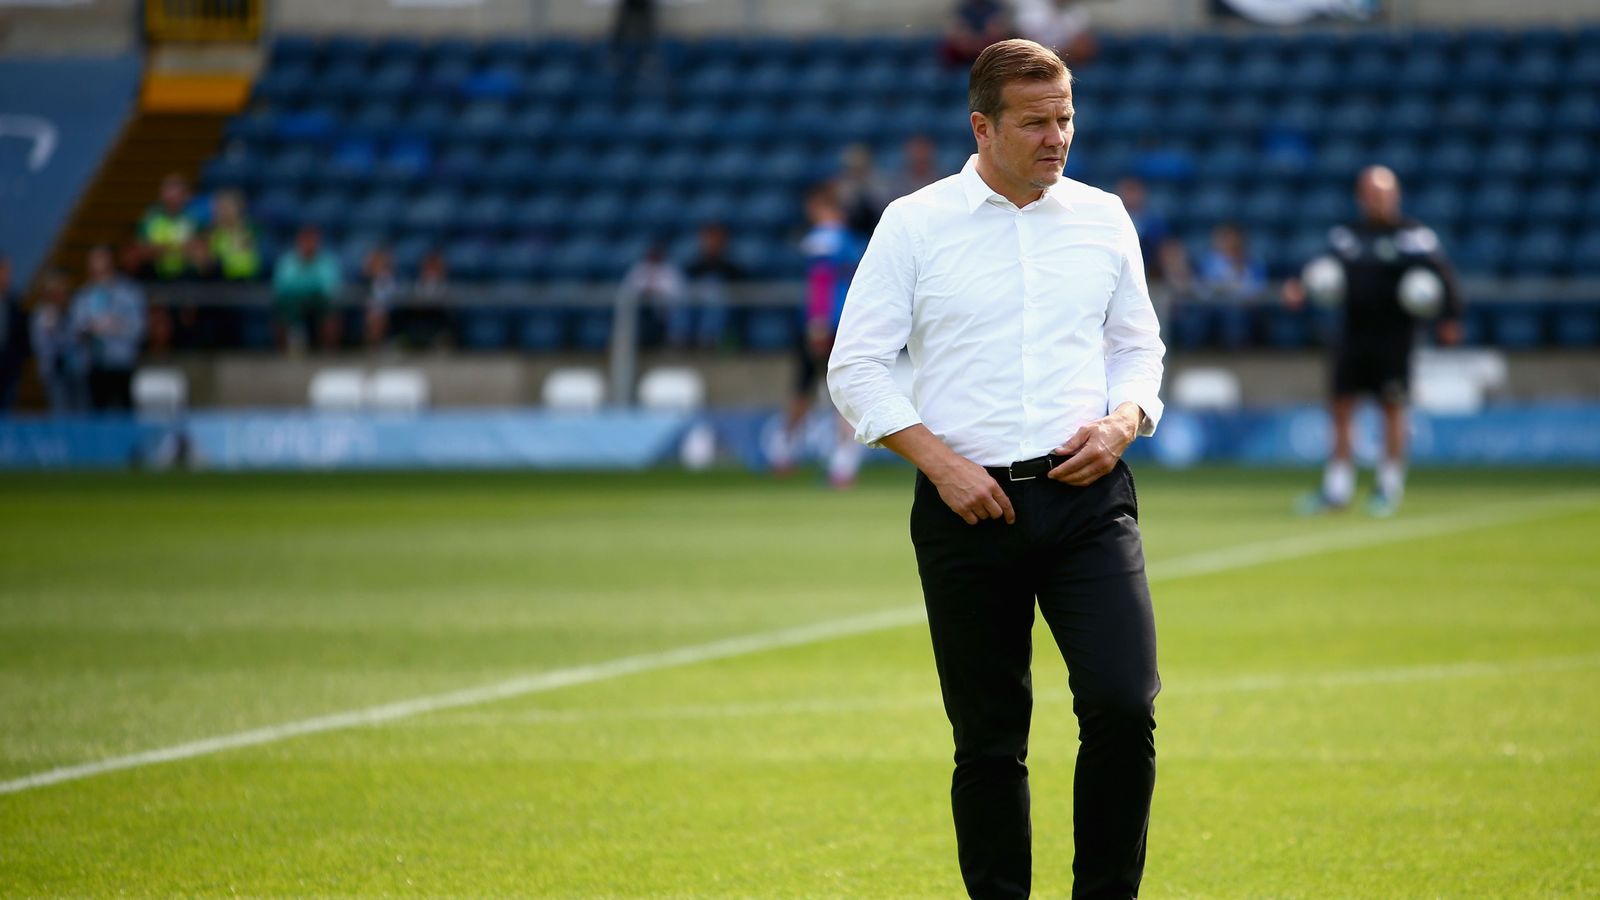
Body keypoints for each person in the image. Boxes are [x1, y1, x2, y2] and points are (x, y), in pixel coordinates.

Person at [827, 40, 1164, 899]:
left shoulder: (1104, 217)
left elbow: (1137, 348)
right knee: (987, 740)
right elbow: (855, 365)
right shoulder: (914, 223)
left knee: (1124, 707)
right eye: (1036, 123)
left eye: (1066, 120)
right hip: (964, 508)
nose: (1058, 138)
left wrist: (1125, 421)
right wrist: (940, 465)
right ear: (982, 127)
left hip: (1088, 500)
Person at [1287, 165, 1464, 517]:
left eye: (1383, 193)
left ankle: (1388, 486)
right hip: (1351, 335)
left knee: (1392, 409)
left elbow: (1445, 279)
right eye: (1370, 193)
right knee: (1340, 408)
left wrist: (1450, 317)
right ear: (1360, 197)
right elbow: (1320, 273)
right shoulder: (1346, 236)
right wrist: (1300, 288)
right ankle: (1337, 490)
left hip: (1395, 338)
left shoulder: (1415, 237)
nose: (1377, 199)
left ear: (1395, 195)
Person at [772, 184, 865, 487]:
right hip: (845, 321)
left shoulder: (823, 239)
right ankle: (842, 462)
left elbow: (821, 282)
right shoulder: (851, 241)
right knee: (841, 391)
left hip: (823, 323)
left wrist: (818, 322)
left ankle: (785, 452)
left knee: (805, 388)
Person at [70, 245, 147, 412]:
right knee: (95, 414)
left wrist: (116, 326)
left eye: (102, 262)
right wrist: (89, 328)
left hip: (121, 365)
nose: (98, 268)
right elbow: (76, 327)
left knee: (123, 413)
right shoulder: (84, 296)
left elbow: (139, 328)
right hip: (93, 365)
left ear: (111, 263)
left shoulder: (130, 293)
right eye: (94, 263)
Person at [271, 225, 343, 354]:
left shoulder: (326, 261)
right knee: (285, 306)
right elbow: (282, 286)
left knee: (330, 310)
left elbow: (329, 286)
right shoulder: (288, 261)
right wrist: (309, 286)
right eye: (306, 241)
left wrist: (305, 287)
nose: (309, 245)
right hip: (294, 302)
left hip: (318, 301)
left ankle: (329, 352)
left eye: (313, 241)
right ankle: (287, 351)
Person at [30, 269, 87, 414]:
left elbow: (80, 335)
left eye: (63, 289)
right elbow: (40, 345)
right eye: (56, 290)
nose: (60, 294)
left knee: (81, 411)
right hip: (55, 372)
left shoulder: (74, 310)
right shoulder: (41, 315)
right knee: (60, 411)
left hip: (76, 369)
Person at [683, 223, 745, 350]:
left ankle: (708, 341)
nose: (712, 243)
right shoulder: (692, 269)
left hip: (726, 313)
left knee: (714, 287)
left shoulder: (733, 270)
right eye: (709, 239)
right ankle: (679, 338)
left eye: (717, 239)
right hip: (696, 309)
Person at [618, 242, 689, 349]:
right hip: (642, 311)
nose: (653, 256)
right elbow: (626, 290)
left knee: (678, 314)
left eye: (656, 253)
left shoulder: (670, 269)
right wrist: (644, 293)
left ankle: (675, 346)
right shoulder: (639, 268)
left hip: (665, 311)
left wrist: (657, 293)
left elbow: (679, 293)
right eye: (652, 253)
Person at [133, 173, 203, 281]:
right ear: (161, 194)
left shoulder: (193, 219)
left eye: (177, 192)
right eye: (169, 191)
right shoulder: (151, 218)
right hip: (154, 277)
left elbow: (201, 253)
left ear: (185, 195)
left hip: (187, 278)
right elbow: (139, 252)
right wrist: (173, 249)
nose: (172, 196)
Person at [199, 189, 262, 282]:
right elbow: (205, 268)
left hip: (248, 284)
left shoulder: (253, 231)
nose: (221, 212)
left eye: (225, 208)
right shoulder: (211, 233)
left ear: (238, 209)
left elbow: (252, 265)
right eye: (218, 209)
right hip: (217, 284)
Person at [835, 143, 895, 239]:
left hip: (876, 227)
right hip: (851, 230)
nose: (858, 168)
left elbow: (883, 206)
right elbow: (844, 210)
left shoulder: (878, 180)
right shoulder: (844, 184)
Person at [1014, 0, 1098, 63]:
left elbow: (1082, 46)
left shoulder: (1079, 12)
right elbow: (1026, 40)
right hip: (1034, 59)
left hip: (1069, 61)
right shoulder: (1031, 7)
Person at [941, 0, 1014, 67]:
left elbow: (999, 31)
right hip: (961, 59)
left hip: (990, 58)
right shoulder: (961, 9)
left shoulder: (997, 9)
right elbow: (956, 30)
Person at [0, 255, 29, 414]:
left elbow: (22, 338)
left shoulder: (15, 304)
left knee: (7, 411)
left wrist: (18, 361)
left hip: (9, 369)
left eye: (8, 272)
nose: (7, 276)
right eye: (3, 271)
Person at [363, 245, 400, 349]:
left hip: (387, 310)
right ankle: (372, 345)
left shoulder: (389, 279)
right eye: (375, 264)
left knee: (378, 316)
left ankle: (382, 344)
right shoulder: (365, 279)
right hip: (371, 310)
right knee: (373, 316)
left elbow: (393, 296)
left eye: (380, 264)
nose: (377, 267)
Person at [892, 134, 944, 199]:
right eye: (917, 151)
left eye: (924, 150)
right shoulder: (897, 184)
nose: (920, 155)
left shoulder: (942, 181)